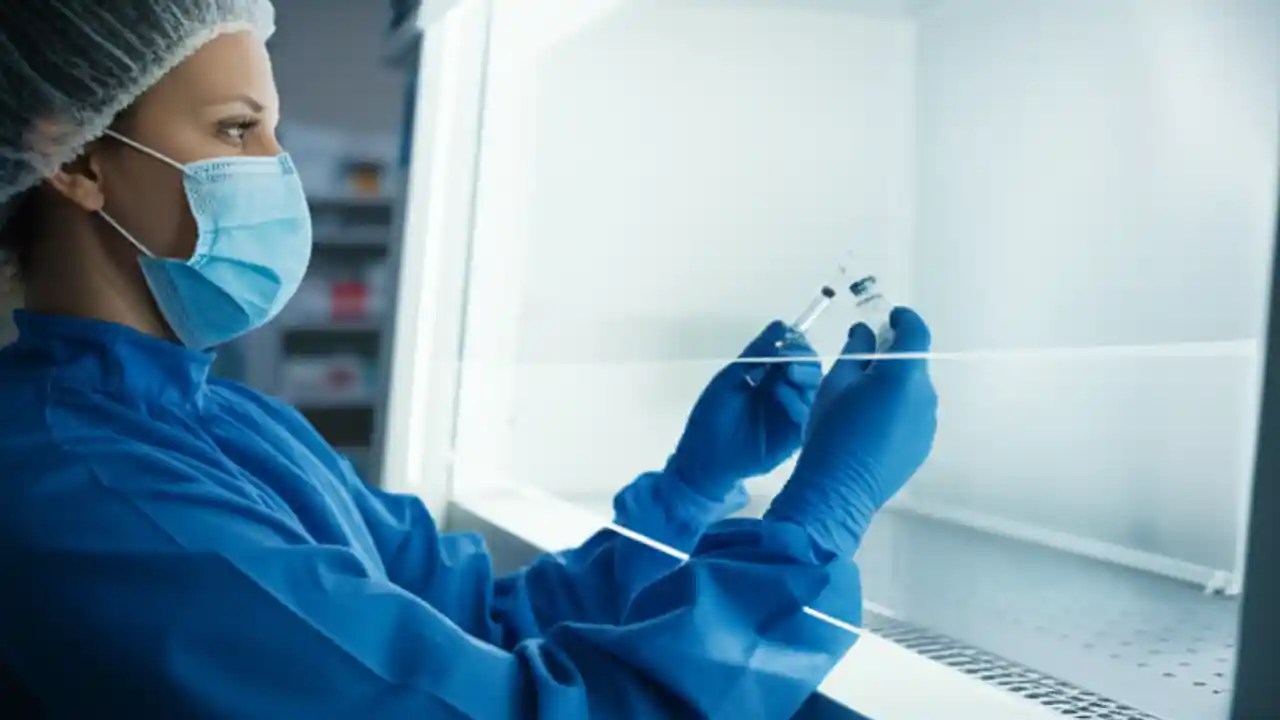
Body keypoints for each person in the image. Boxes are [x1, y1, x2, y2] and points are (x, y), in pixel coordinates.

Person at [0, 2, 939, 718]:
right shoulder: (85, 495)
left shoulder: (226, 419)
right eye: (237, 131)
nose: (277, 169)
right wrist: (817, 523)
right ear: (74, 159)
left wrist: (692, 490)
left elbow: (481, 621)